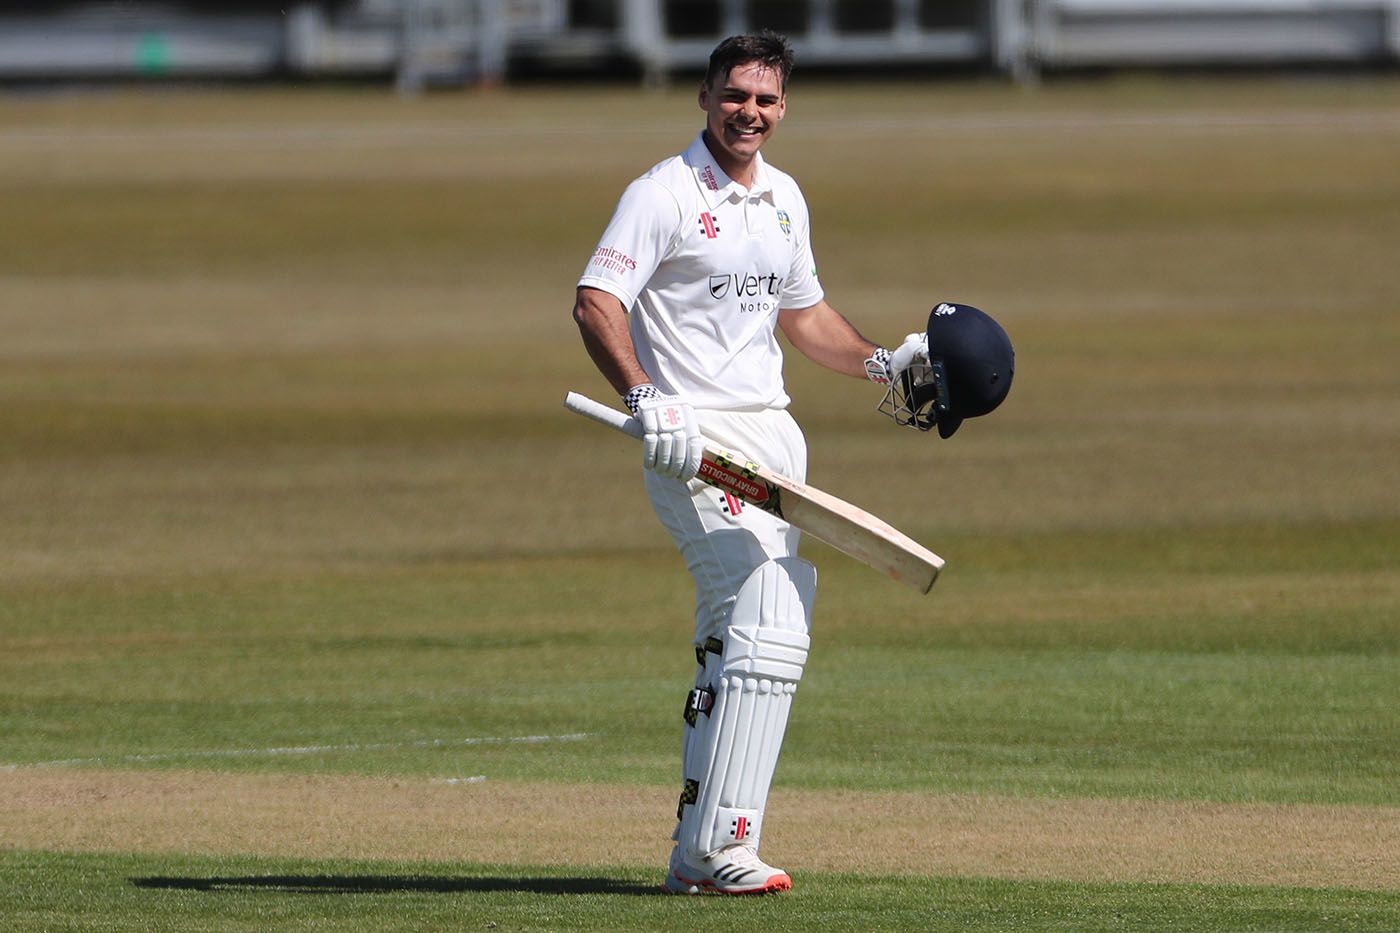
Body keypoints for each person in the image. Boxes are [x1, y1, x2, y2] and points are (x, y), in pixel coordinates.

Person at [571, 32, 995, 895]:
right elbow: (595, 301)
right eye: (735, 97)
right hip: (693, 439)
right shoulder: (663, 194)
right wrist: (650, 397)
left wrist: (883, 361)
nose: (749, 114)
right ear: (705, 97)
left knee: (749, 626)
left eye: (765, 100)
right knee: (766, 611)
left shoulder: (785, 200)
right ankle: (726, 846)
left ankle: (697, 852)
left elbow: (802, 317)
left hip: (773, 437)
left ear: (783, 106)